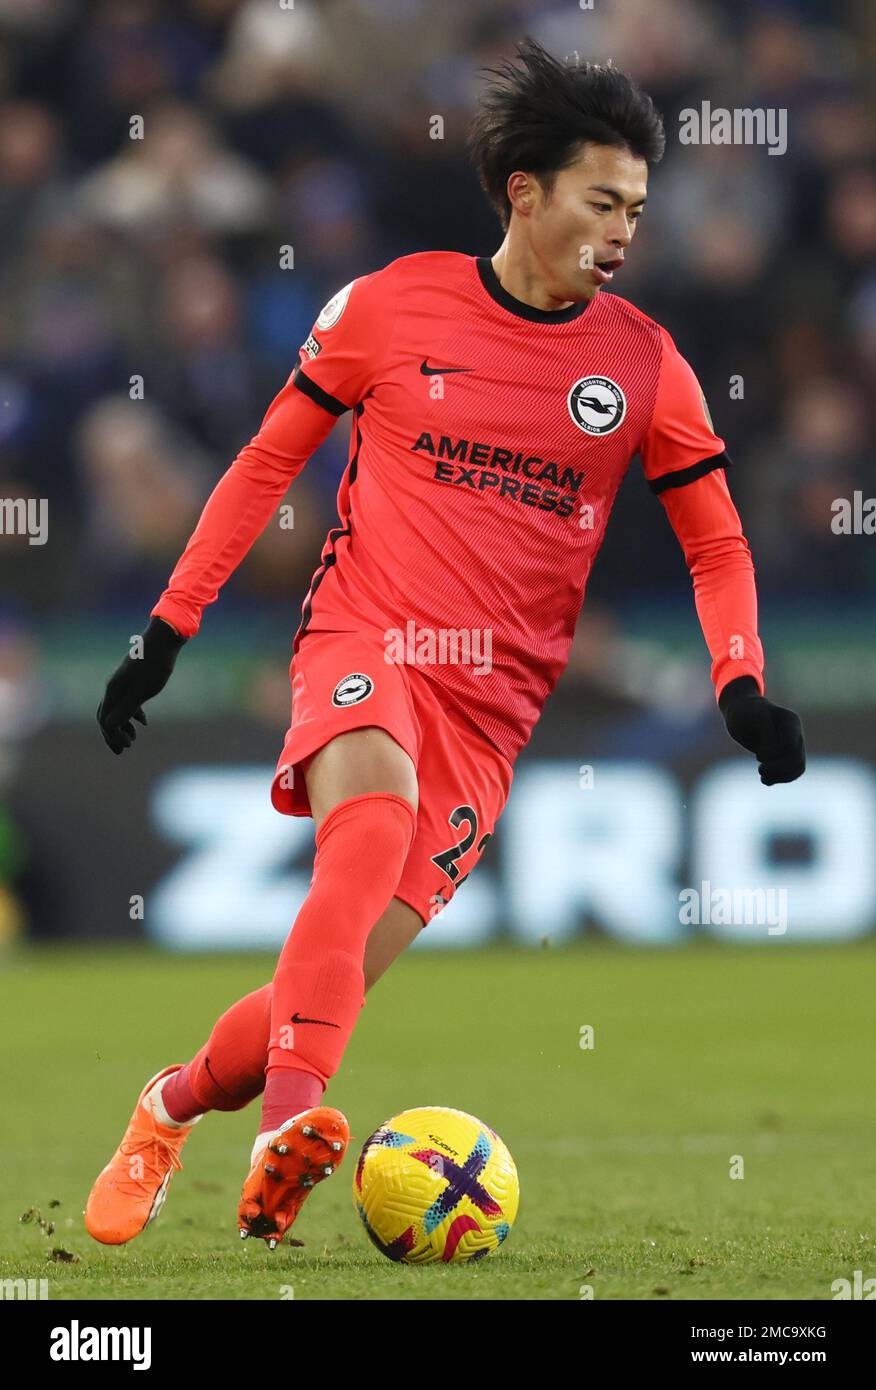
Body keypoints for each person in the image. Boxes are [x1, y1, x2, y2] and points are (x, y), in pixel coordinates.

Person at [85, 39, 805, 1250]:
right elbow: (267, 463)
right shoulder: (391, 304)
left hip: (493, 709)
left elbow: (718, 544)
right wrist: (168, 630)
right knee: (362, 830)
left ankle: (167, 1106)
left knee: (332, 979)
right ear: (525, 192)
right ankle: (293, 1128)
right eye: (601, 200)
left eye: (637, 207)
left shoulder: (641, 365)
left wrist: (741, 684)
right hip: (368, 633)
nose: (624, 229)